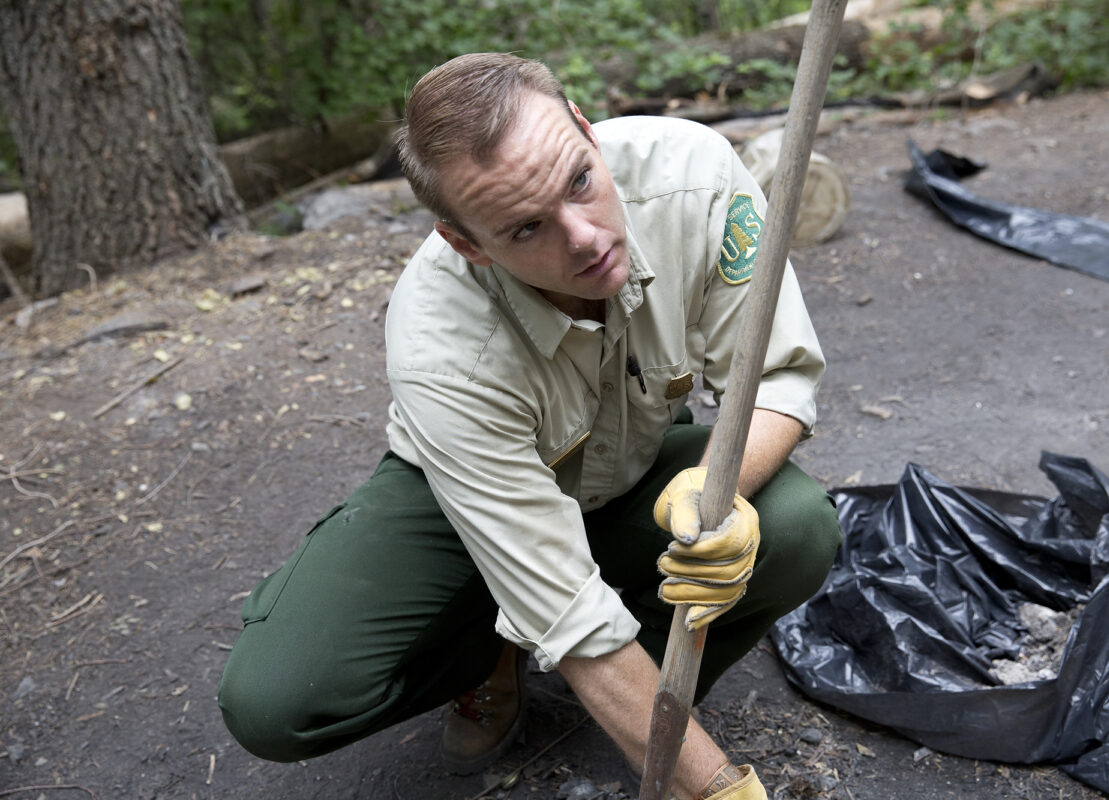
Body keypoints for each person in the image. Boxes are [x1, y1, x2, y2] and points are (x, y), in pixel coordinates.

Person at [218, 52, 842, 800]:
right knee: (279, 699)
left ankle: (636, 701)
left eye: (579, 182)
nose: (584, 238)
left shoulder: (693, 176)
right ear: (467, 244)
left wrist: (716, 488)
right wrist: (718, 791)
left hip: (628, 464)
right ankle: (496, 652)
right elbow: (568, 613)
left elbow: (774, 375)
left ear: (584, 127)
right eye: (525, 228)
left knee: (796, 527)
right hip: (467, 495)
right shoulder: (438, 344)